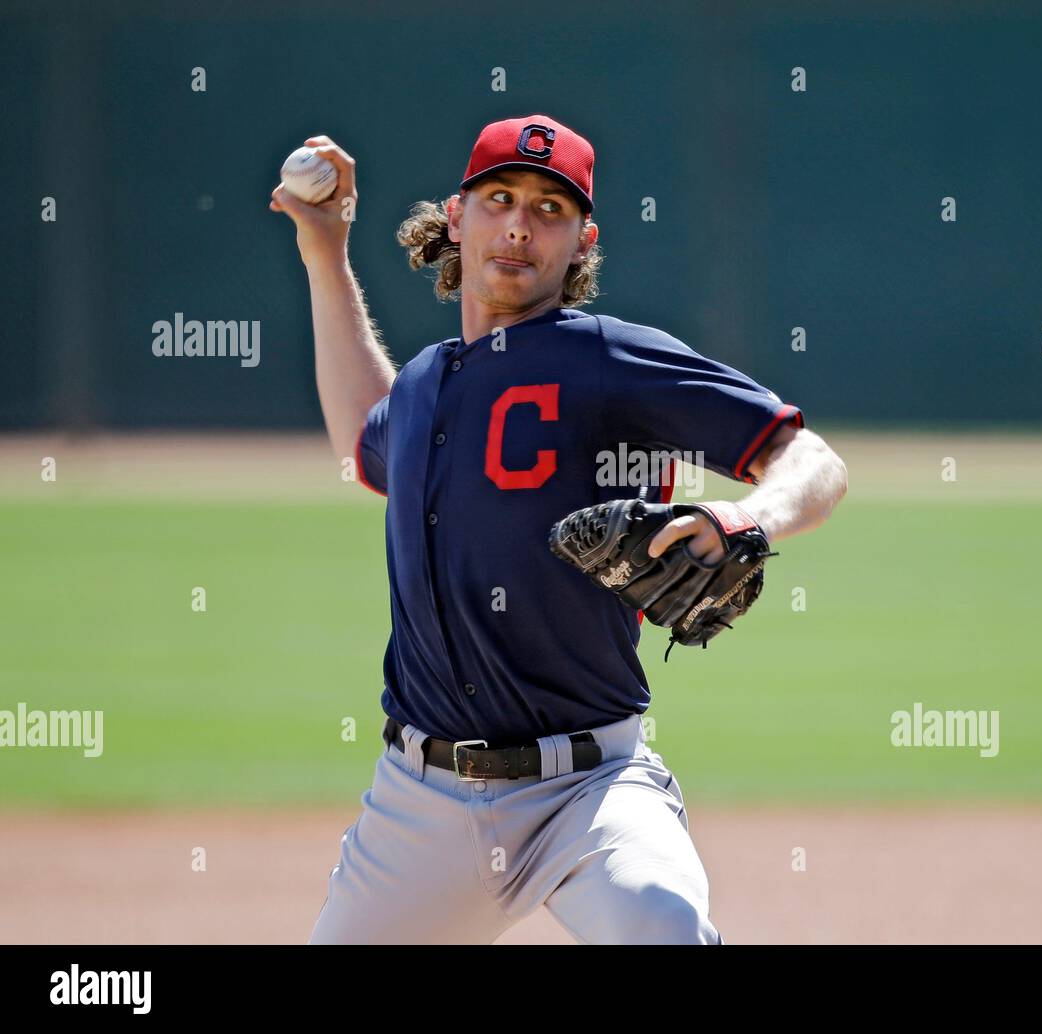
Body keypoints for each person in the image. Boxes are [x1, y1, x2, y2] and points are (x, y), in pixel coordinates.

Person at [269, 114, 848, 944]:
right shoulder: (429, 381)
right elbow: (369, 433)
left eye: (549, 209)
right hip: (419, 803)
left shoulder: (607, 358)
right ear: (456, 218)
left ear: (582, 241)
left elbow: (811, 459)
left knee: (664, 925)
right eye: (499, 198)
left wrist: (742, 517)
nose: (518, 224)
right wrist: (325, 252)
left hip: (590, 788)